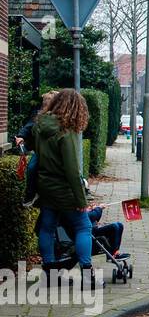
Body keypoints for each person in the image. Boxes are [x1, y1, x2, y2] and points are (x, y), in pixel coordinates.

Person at [33, 89, 94, 272]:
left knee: (47, 228)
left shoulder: (39, 126)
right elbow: (72, 170)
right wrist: (81, 199)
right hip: (64, 189)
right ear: (75, 108)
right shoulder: (66, 132)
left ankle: (50, 270)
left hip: (45, 186)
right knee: (83, 226)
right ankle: (87, 271)